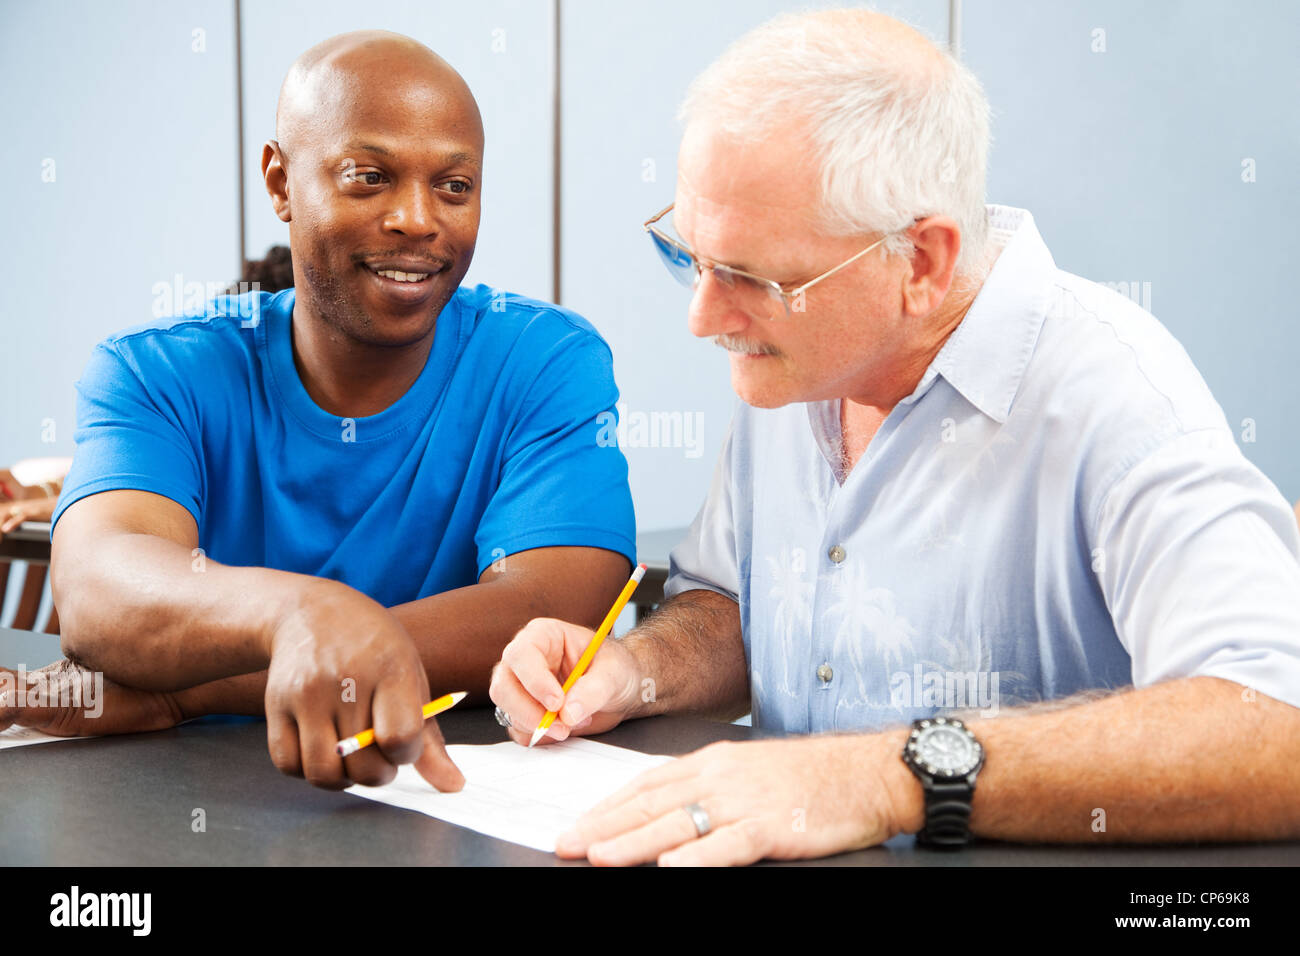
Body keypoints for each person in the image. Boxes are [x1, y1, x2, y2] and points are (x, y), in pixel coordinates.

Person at [490, 9, 1300, 865]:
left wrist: (881, 777)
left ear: (920, 262)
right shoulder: (800, 361)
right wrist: (634, 669)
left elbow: (1275, 721)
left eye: (753, 278)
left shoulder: (1116, 401)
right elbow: (732, 609)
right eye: (691, 255)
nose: (703, 317)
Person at [0, 31, 636, 794]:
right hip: (196, 803)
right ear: (280, 181)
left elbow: (549, 610)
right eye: (369, 177)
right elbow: (100, 593)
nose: (417, 219)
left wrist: (181, 690)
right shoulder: (155, 371)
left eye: (454, 186)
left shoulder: (544, 359)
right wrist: (298, 613)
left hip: (448, 798)